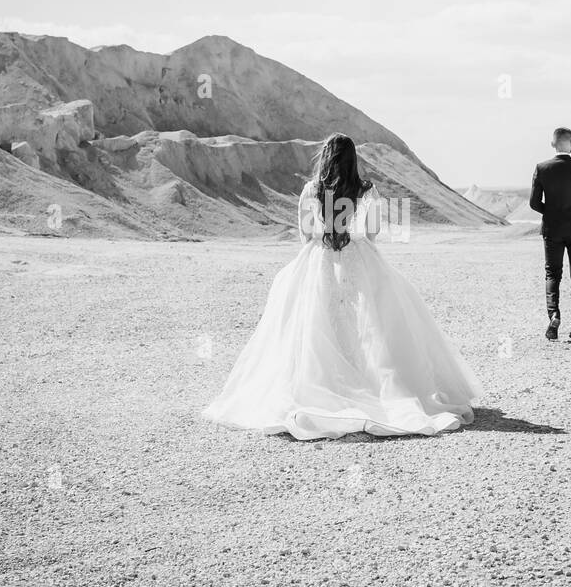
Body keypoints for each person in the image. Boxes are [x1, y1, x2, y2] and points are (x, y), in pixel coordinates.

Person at [203, 133, 482, 440]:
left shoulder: (312, 189)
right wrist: (353, 239)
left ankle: (321, 388)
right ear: (353, 160)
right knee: (371, 324)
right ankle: (378, 389)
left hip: (319, 258)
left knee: (314, 323)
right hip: (360, 257)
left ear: (325, 157)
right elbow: (373, 232)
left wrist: (326, 238)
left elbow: (306, 233)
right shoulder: (367, 190)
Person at [529, 126, 571, 341]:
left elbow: (533, 203)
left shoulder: (542, 168)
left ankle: (554, 316)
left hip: (552, 228)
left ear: (553, 144)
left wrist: (550, 213)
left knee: (552, 274)